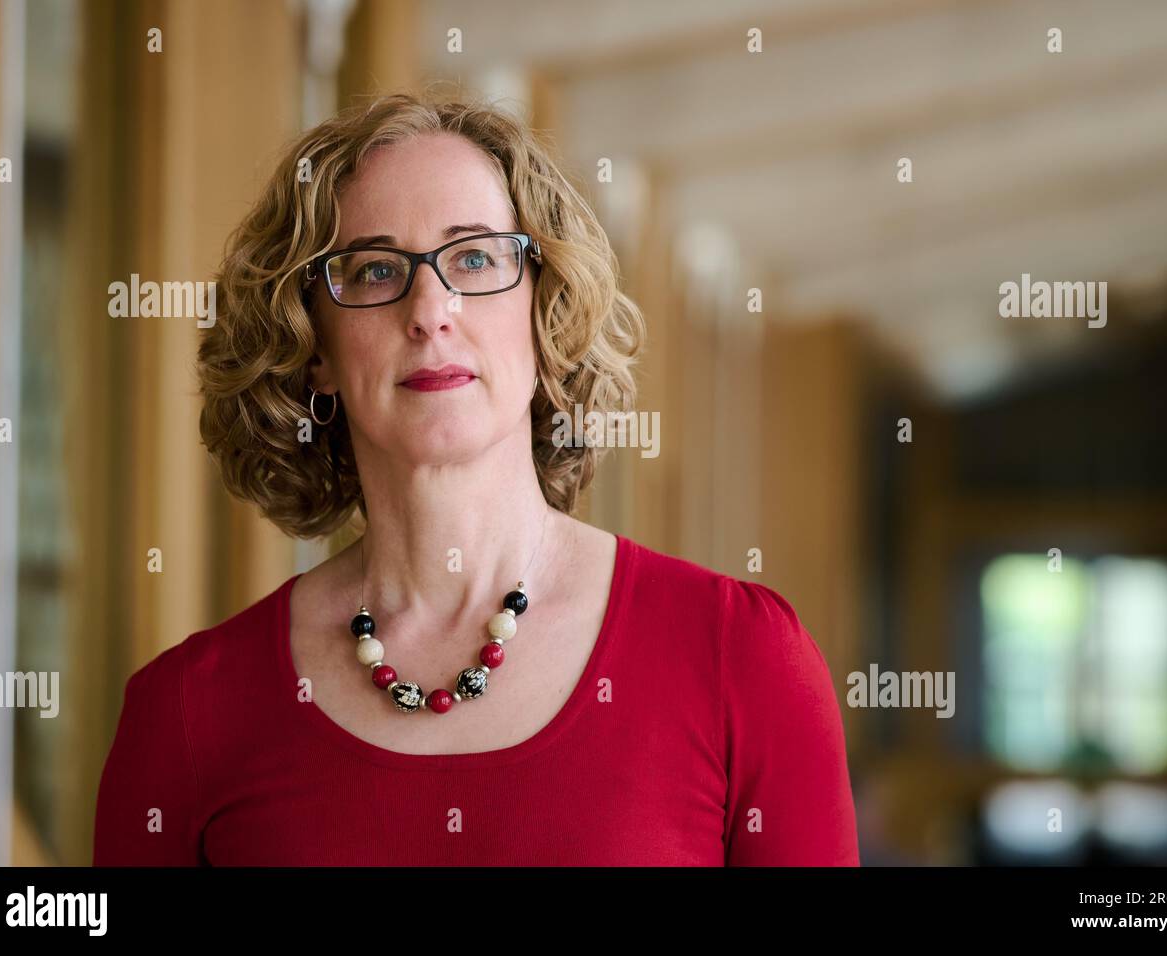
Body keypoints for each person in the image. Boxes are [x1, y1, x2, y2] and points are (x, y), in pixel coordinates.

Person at [92, 91, 859, 866]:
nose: (431, 310)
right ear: (314, 347)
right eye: (375, 269)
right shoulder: (187, 714)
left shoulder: (742, 661)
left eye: (475, 258)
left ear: (545, 311)